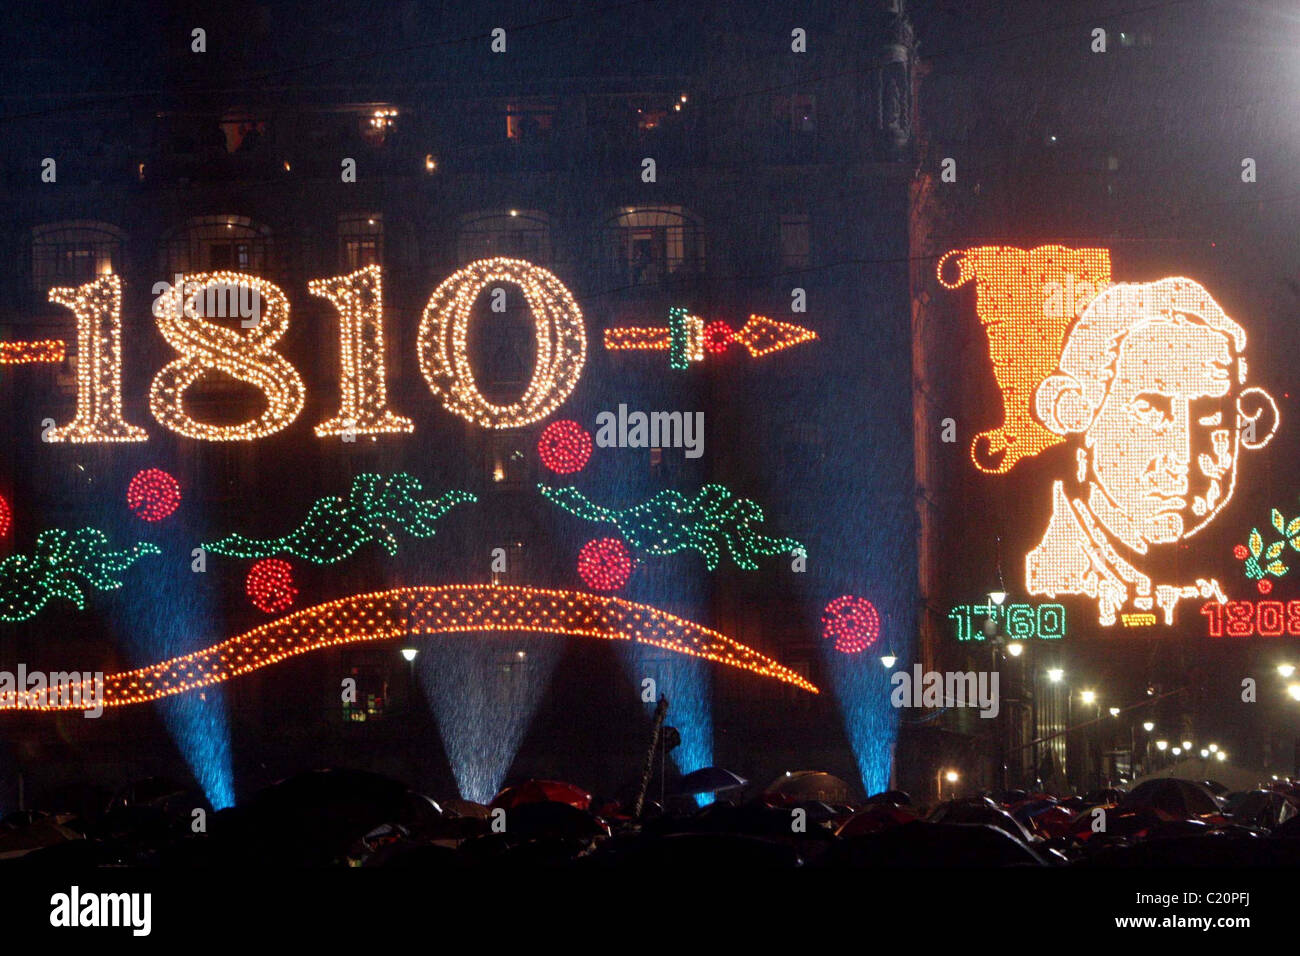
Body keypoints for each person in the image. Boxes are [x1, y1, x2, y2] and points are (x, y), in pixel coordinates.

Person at [1027, 278, 1277, 625]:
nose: (1182, 455)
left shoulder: (1212, 579)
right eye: (1149, 411)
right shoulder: (1053, 577)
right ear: (1082, 416)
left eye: (1210, 419)